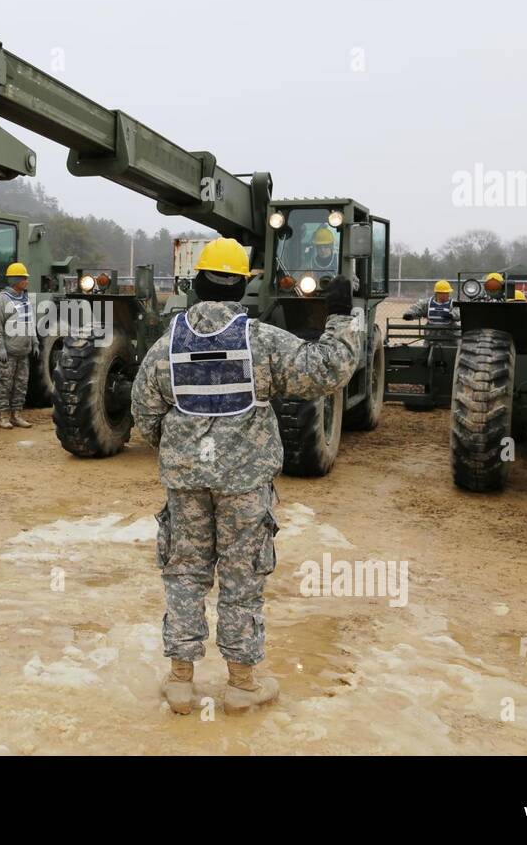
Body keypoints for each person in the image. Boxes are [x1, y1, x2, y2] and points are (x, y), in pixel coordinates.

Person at [130, 237, 361, 715]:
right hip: (244, 486)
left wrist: (179, 450)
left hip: (185, 482)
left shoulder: (167, 343)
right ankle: (241, 685)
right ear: (241, 288)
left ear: (195, 285)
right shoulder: (261, 339)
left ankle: (180, 682)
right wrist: (340, 316)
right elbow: (327, 370)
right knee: (241, 578)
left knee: (185, 573)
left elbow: (144, 411)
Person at [0, 262, 37, 429]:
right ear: (15, 280)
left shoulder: (25, 299)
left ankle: (17, 415)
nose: (27, 281)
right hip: (8, 353)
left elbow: (30, 322)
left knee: (21, 385)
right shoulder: (1, 300)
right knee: (5, 384)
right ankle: (3, 416)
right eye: (24, 278)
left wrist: (35, 342)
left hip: (23, 352)